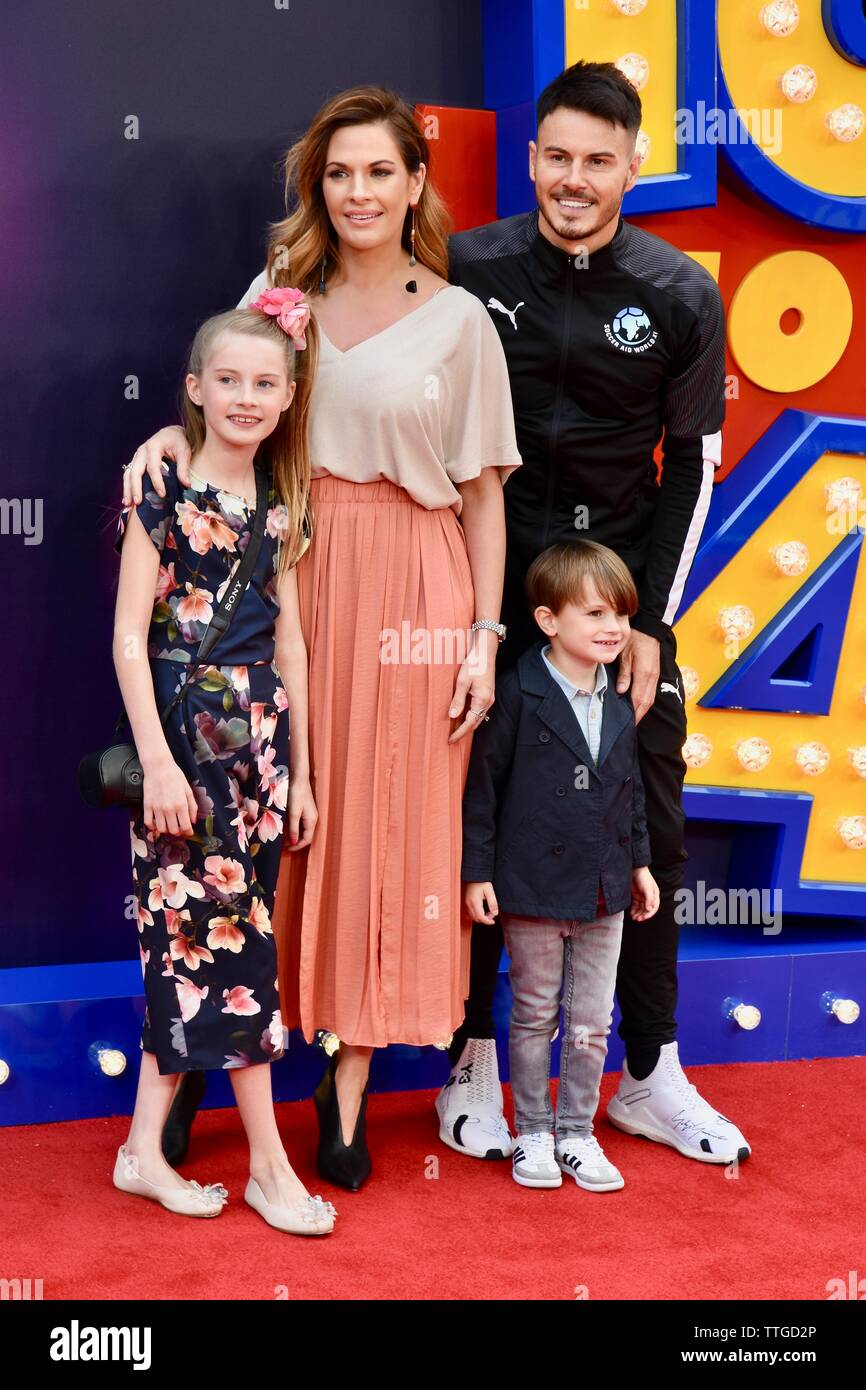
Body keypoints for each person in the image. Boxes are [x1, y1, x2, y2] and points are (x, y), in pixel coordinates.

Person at [121, 85, 523, 1189]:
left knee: (383, 825)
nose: (356, 192)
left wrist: (484, 637)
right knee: (262, 817)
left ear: (413, 184)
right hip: (287, 579)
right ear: (319, 185)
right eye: (337, 173)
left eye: (379, 172)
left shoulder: (458, 319)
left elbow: (483, 498)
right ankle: (210, 1055)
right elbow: (223, 398)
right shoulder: (278, 294)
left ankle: (344, 1085)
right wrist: (165, 431)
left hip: (415, 586)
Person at [437, 60, 752, 1165]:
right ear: (529, 159)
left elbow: (692, 468)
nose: (574, 179)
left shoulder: (677, 291)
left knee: (645, 828)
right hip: (488, 594)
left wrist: (646, 620)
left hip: (613, 610)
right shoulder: (464, 263)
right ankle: (472, 1052)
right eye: (556, 157)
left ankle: (649, 1070)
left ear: (632, 168)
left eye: (597, 160)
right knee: (475, 815)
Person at [112, 291, 337, 1234]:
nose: (247, 397)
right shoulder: (158, 489)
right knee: (234, 949)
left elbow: (292, 653)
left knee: (198, 947)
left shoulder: (282, 509)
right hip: (184, 743)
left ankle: (137, 1154)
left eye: (266, 383)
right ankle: (271, 1169)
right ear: (197, 390)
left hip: (260, 749)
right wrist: (159, 765)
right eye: (229, 381)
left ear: (288, 397)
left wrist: (309, 777)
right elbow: (127, 639)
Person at [461, 541, 659, 1189]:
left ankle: (578, 1132)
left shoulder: (620, 696)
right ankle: (533, 1133)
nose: (614, 630)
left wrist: (640, 866)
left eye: (622, 617)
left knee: (592, 1020)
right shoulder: (519, 691)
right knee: (534, 1012)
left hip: (605, 887)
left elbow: (628, 791)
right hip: (532, 887)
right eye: (597, 614)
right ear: (549, 621)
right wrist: (477, 873)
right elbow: (483, 790)